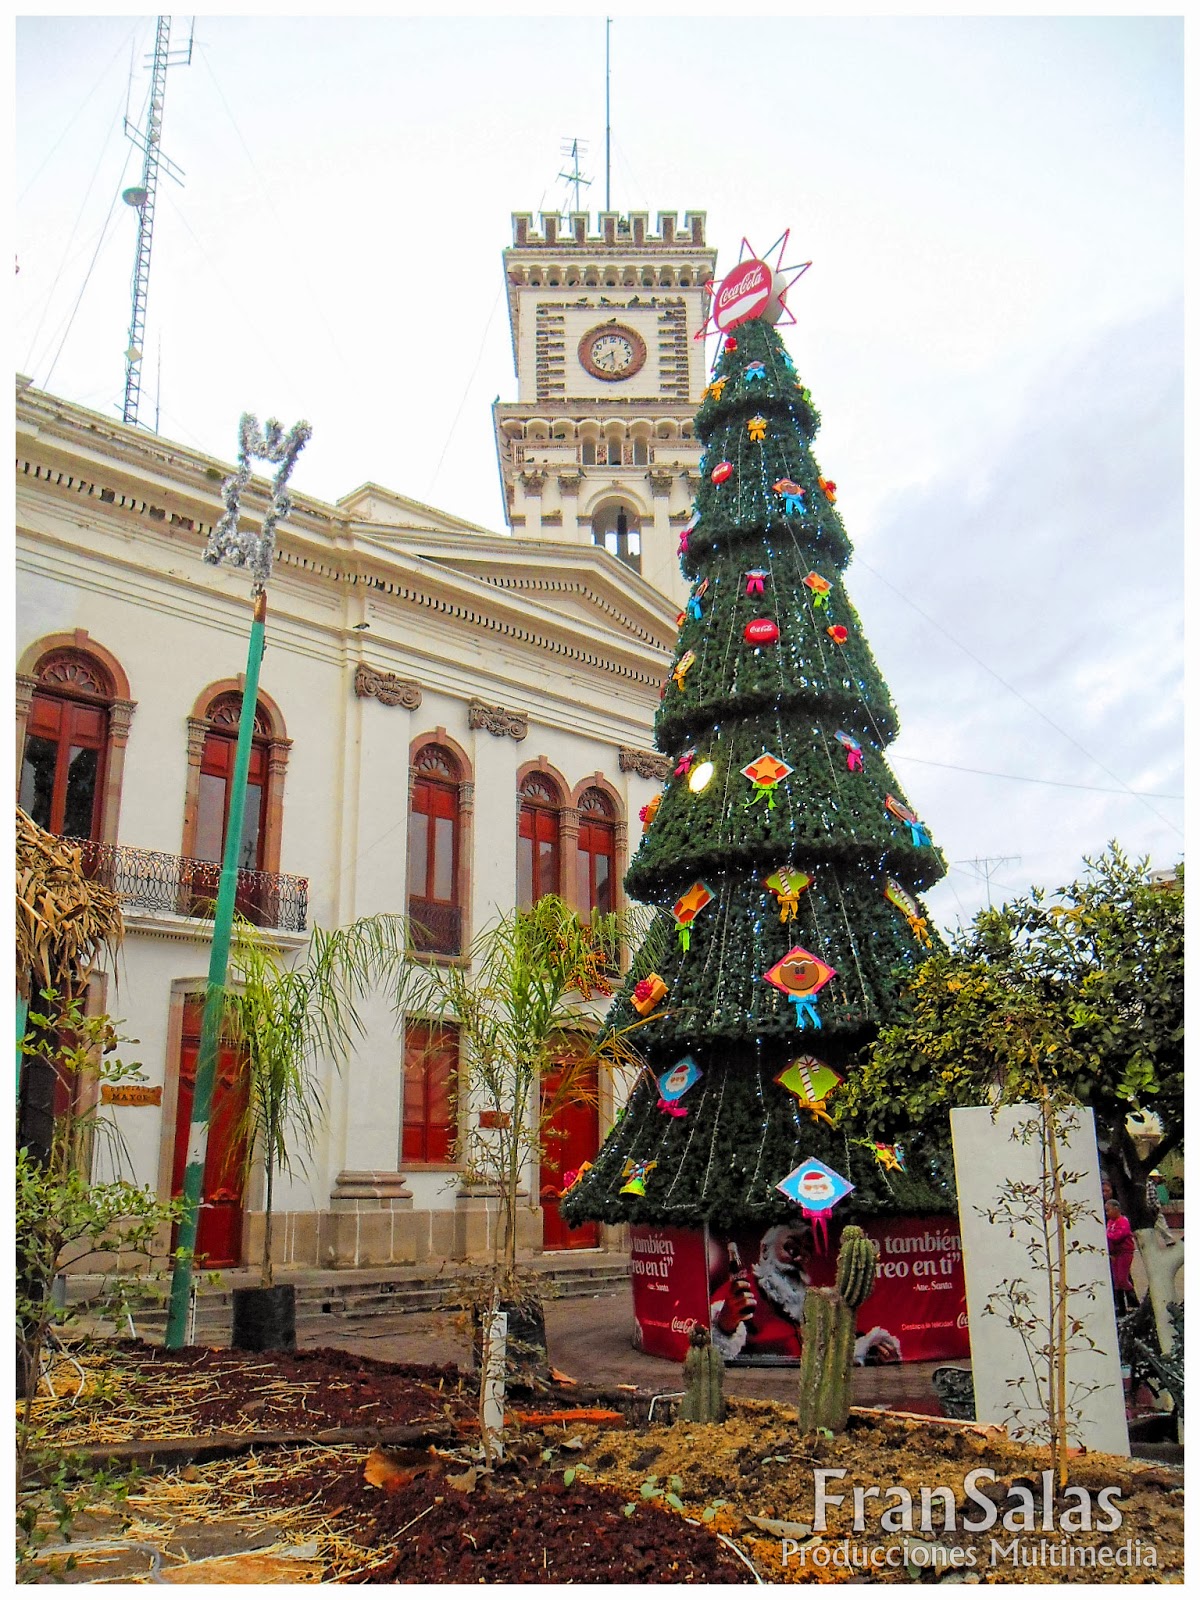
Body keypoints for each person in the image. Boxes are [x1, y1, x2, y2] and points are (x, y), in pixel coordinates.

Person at [709, 1222, 900, 1363]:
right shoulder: (739, 1291)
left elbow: (831, 1342)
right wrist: (726, 1325)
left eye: (805, 1252)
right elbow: (717, 1345)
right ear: (765, 1250)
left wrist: (872, 1350)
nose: (799, 1258)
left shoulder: (805, 1298)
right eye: (791, 1248)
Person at [1105, 1198, 1138, 1314]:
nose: (1107, 1213)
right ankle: (1121, 1307)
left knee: (1123, 1279)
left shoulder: (1123, 1221)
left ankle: (1134, 1302)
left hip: (1125, 1252)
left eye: (1108, 1210)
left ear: (1116, 1209)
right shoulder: (1110, 1222)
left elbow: (1118, 1236)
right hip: (1115, 1253)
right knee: (1117, 1280)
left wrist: (1108, 1235)